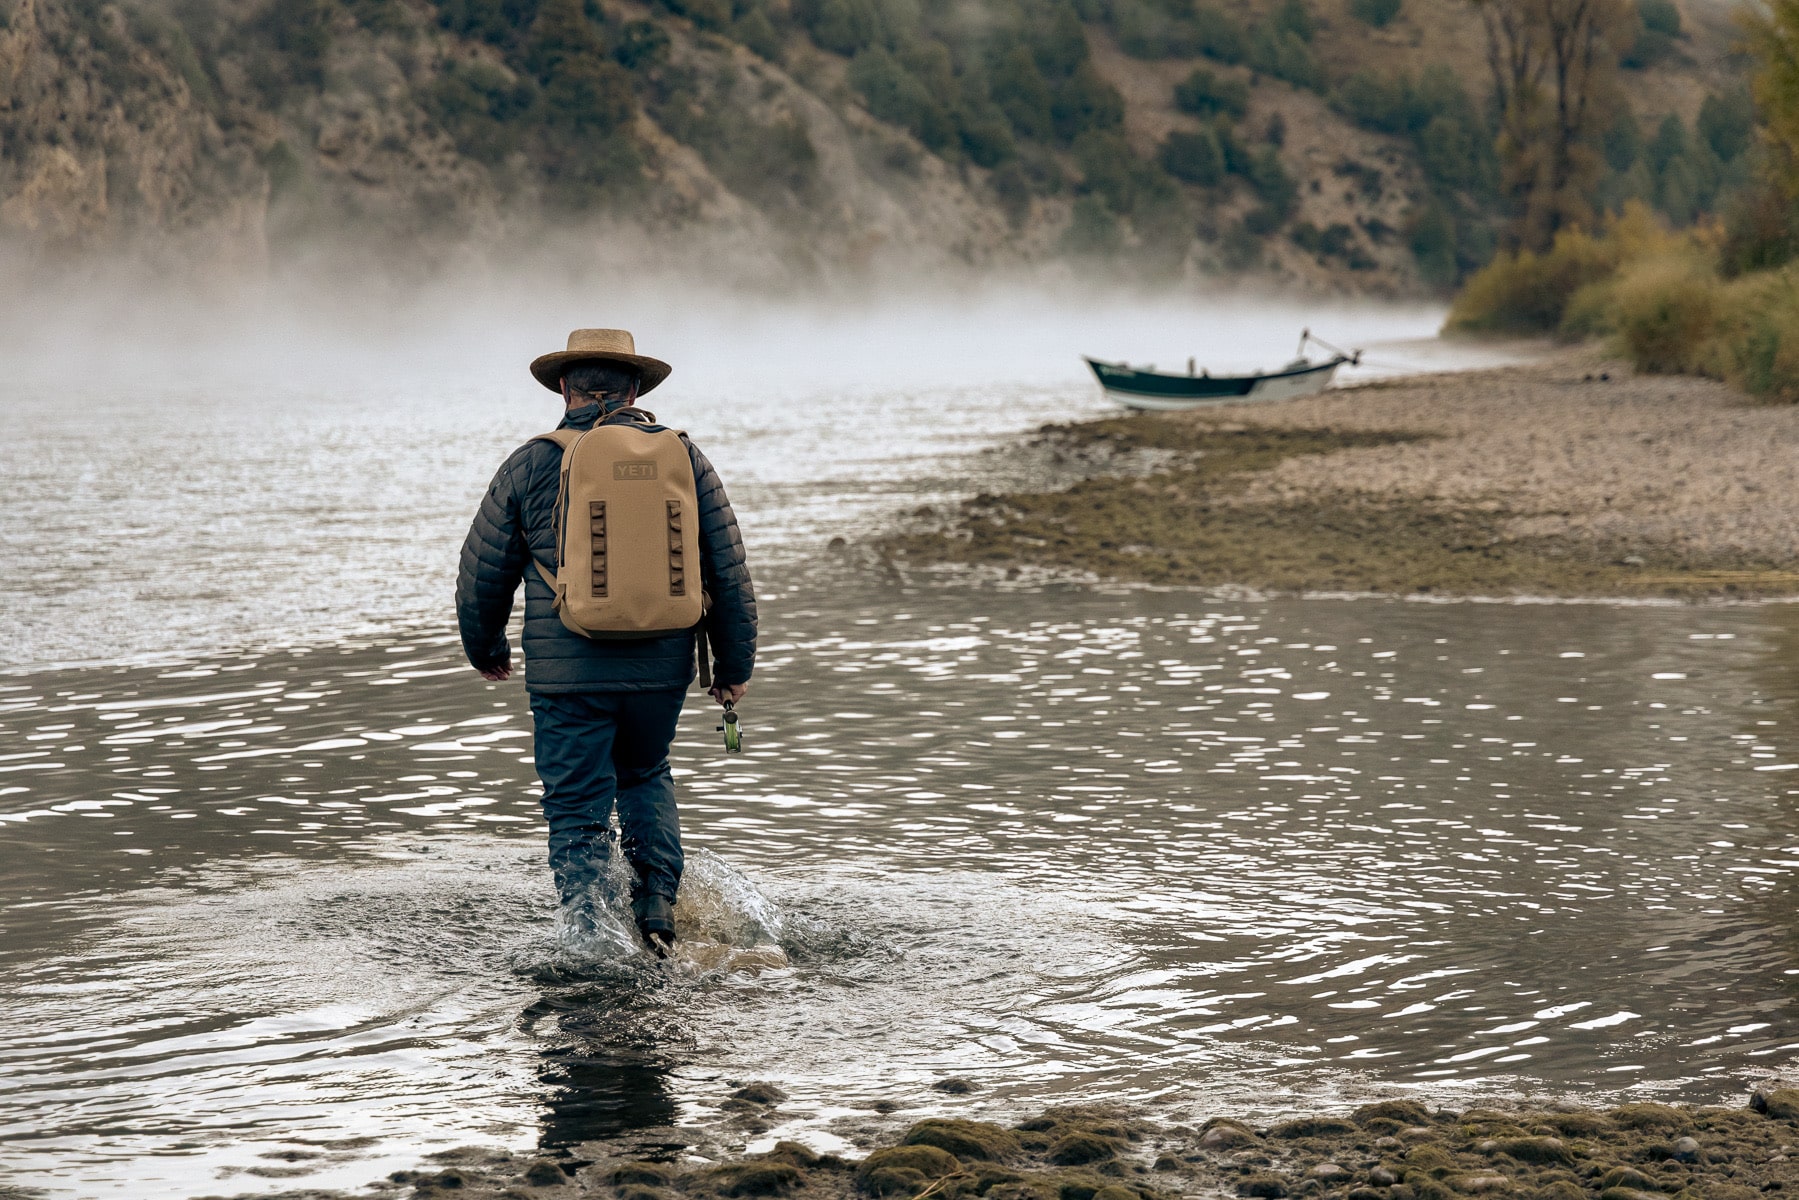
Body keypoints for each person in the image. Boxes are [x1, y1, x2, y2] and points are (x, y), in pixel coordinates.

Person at [456, 328, 756, 954]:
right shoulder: (685, 457)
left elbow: (482, 573)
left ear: (563, 388)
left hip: (569, 675)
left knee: (576, 805)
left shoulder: (531, 461)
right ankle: (656, 915)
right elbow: (727, 569)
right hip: (662, 666)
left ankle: (593, 937)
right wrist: (732, 665)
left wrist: (486, 649)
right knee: (646, 772)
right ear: (638, 389)